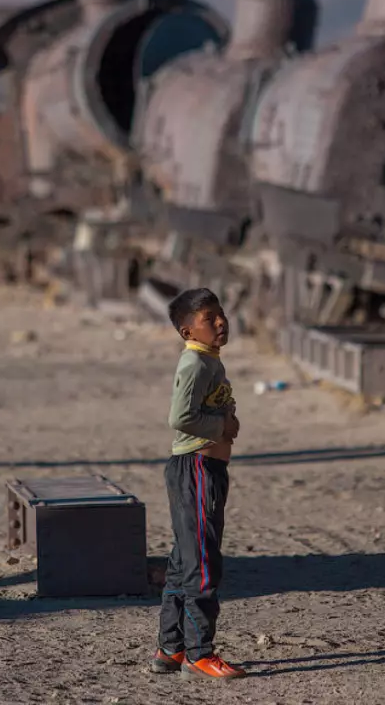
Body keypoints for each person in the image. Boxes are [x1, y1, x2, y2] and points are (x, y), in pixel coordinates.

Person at [150, 288, 247, 680]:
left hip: (204, 470)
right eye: (210, 319)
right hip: (196, 471)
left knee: (183, 562)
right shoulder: (194, 363)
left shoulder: (209, 361)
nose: (221, 322)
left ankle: (170, 649)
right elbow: (180, 417)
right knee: (203, 565)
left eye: (221, 314)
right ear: (188, 330)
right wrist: (222, 426)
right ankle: (199, 653)